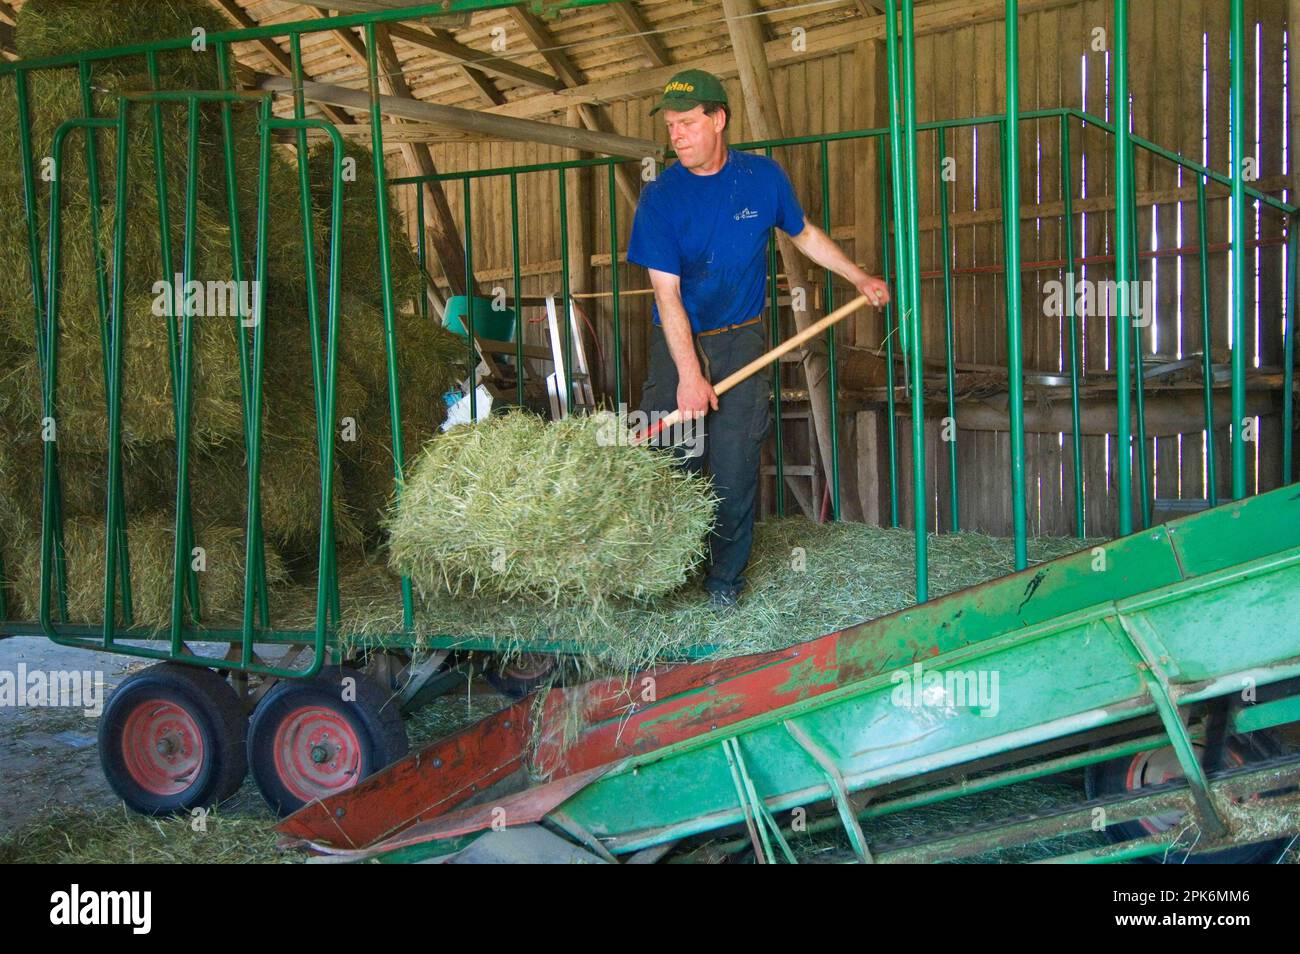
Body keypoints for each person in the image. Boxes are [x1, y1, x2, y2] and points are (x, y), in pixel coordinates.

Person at [628, 69, 889, 608]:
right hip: (679, 343)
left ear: (718, 120)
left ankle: (724, 584)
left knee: (735, 463)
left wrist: (857, 277)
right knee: (674, 462)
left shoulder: (762, 178)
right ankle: (668, 582)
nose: (676, 135)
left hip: (744, 340)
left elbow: (804, 233)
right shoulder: (661, 199)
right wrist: (689, 376)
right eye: (671, 126)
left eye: (687, 123)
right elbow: (667, 296)